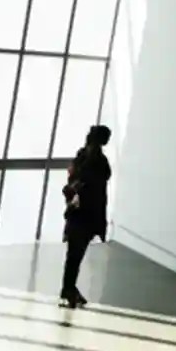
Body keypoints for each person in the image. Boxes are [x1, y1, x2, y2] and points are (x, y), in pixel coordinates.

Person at [60, 124, 112, 308]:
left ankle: (69, 289)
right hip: (89, 214)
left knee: (73, 255)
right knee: (76, 255)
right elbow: (96, 187)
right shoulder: (98, 160)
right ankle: (68, 290)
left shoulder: (81, 156)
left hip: (76, 212)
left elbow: (73, 181)